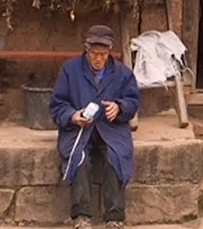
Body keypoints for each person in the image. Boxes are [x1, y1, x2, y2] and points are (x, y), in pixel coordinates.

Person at [49, 24, 140, 229]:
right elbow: (57, 105)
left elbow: (133, 102)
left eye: (103, 54)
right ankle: (81, 216)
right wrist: (73, 115)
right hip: (79, 130)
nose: (98, 59)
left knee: (116, 156)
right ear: (86, 50)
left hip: (111, 129)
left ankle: (114, 217)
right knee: (78, 157)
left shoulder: (123, 73)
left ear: (110, 52)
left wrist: (119, 107)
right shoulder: (70, 70)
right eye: (94, 54)